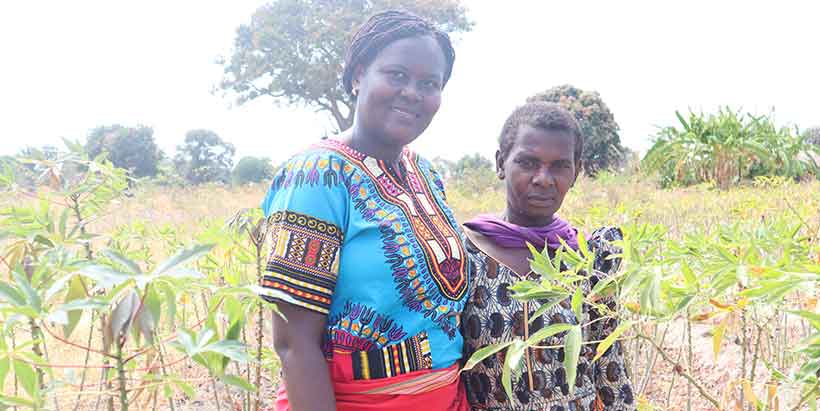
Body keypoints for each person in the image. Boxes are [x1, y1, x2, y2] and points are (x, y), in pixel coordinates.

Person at [257, 10, 470, 411]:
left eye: (429, 83)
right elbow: (293, 343)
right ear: (358, 76)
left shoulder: (425, 173)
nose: (412, 92)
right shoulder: (316, 176)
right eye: (397, 75)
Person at [460, 102, 635, 411]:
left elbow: (611, 369)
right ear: (501, 164)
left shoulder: (591, 258)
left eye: (559, 166)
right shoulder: (464, 255)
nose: (543, 178)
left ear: (576, 171)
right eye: (527, 163)